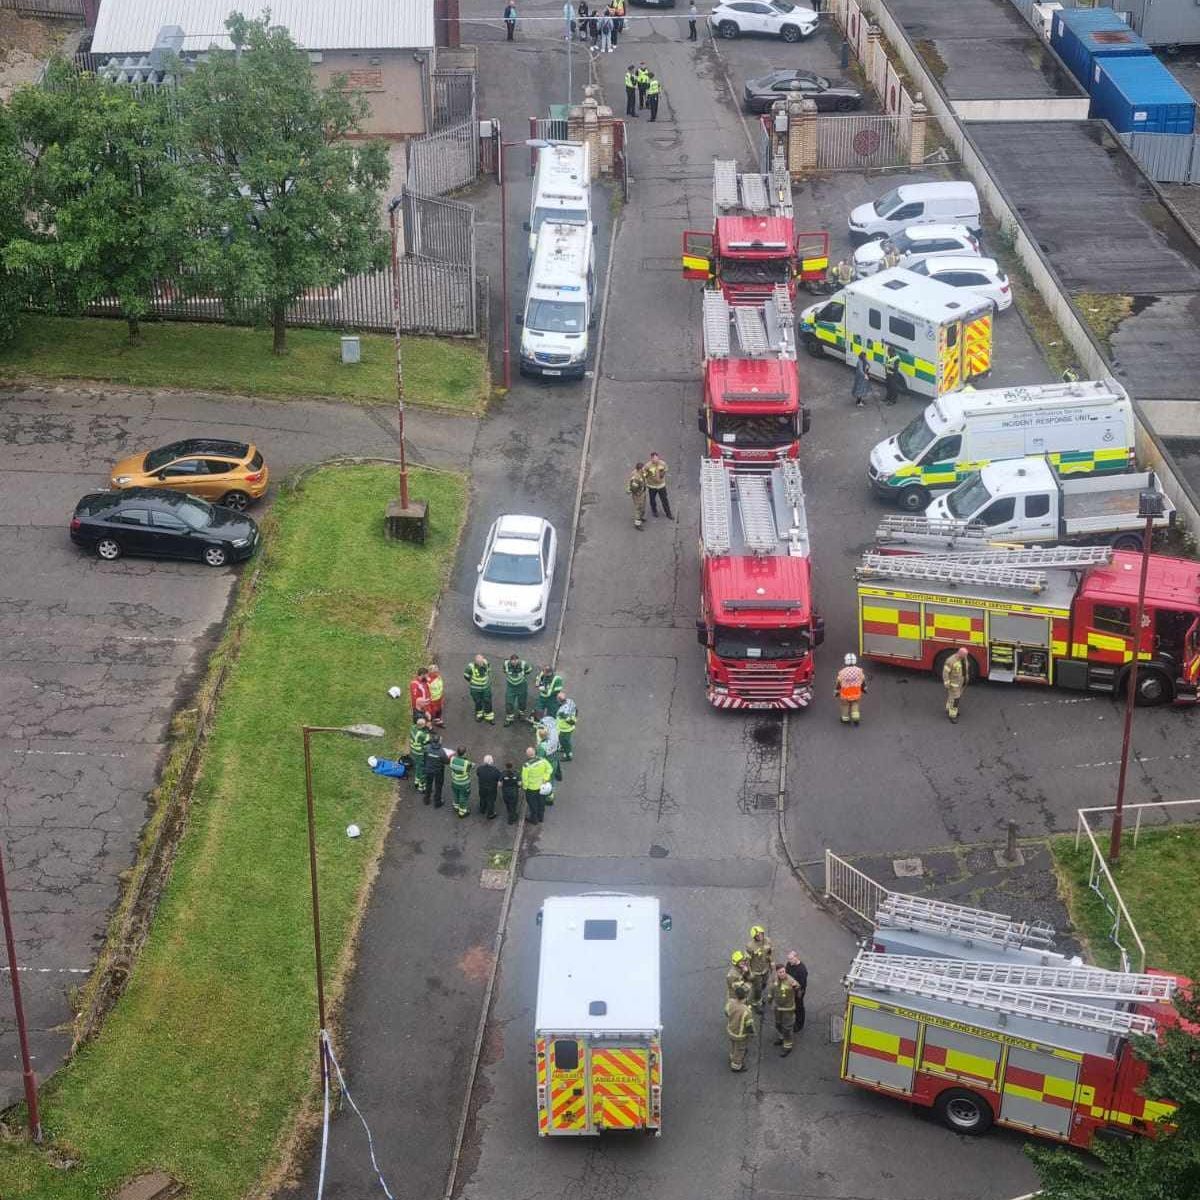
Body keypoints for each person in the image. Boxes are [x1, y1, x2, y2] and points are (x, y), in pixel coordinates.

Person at [767, 965, 801, 1056]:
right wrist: (769, 999)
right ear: (777, 973)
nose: (782, 974)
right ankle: (781, 1037)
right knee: (778, 1024)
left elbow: (799, 993)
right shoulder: (775, 979)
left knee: (787, 1028)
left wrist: (796, 988)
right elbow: (771, 989)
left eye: (783, 971)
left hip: (788, 1009)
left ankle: (787, 1046)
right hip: (777, 1007)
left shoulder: (791, 981)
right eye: (780, 972)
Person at [725, 981, 755, 1072]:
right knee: (740, 1049)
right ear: (745, 996)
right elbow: (749, 1025)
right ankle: (736, 1065)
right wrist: (752, 1033)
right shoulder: (746, 1011)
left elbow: (726, 1013)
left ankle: (732, 1056)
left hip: (731, 1030)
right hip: (740, 1035)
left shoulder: (730, 1003)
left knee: (733, 1045)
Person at [522, 747, 554, 824]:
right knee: (541, 802)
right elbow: (550, 769)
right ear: (535, 752)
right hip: (542, 787)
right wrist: (545, 778)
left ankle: (534, 819)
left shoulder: (526, 766)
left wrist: (525, 787)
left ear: (527, 755)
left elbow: (524, 778)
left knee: (533, 805)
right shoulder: (543, 760)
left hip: (531, 789)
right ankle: (541, 817)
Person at [834, 652, 866, 727]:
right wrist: (864, 688)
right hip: (856, 692)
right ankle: (856, 718)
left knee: (845, 706)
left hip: (845, 693)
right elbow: (863, 680)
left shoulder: (842, 672)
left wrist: (836, 691)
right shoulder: (859, 671)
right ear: (855, 660)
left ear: (846, 661)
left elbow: (838, 682)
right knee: (855, 704)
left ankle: (845, 719)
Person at [746, 924, 773, 1011]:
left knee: (764, 984)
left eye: (761, 933)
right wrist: (749, 973)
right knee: (757, 988)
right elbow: (747, 961)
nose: (760, 936)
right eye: (757, 935)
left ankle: (758, 995)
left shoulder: (767, 941)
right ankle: (756, 1002)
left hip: (765, 969)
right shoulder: (750, 946)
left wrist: (771, 963)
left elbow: (770, 952)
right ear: (754, 937)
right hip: (756, 972)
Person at [464, 653, 495, 723]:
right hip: (475, 689)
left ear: (483, 659)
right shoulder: (470, 667)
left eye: (481, 662)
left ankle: (489, 717)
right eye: (478, 662)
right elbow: (466, 675)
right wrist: (472, 681)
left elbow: (489, 670)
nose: (480, 663)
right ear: (475, 661)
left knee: (488, 701)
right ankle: (479, 715)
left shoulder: (486, 663)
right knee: (478, 702)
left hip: (486, 687)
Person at [503, 654, 533, 726]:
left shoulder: (524, 664)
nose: (514, 663)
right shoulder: (506, 664)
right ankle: (509, 719)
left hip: (521, 686)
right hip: (511, 687)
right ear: (510, 661)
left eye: (516, 662)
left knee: (522, 701)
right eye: (512, 662)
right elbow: (504, 671)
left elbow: (529, 670)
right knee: (509, 702)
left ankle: (521, 714)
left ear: (518, 660)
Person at [943, 647, 970, 723]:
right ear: (959, 654)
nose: (965, 657)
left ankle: (948, 708)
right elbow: (945, 673)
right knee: (955, 700)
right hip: (954, 684)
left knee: (952, 697)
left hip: (961, 683)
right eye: (964, 656)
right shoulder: (950, 661)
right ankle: (952, 715)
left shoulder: (963, 658)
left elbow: (965, 668)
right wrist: (947, 683)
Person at [643, 451, 672, 518]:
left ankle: (668, 513)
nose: (656, 461)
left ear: (658, 457)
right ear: (651, 459)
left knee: (665, 500)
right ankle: (654, 511)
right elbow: (644, 473)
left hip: (661, 485)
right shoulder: (647, 466)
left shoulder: (662, 463)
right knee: (652, 500)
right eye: (654, 459)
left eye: (657, 459)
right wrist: (647, 475)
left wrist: (663, 473)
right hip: (652, 486)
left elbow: (666, 469)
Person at [424, 731, 448, 808]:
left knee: (428, 784)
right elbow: (446, 761)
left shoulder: (427, 748)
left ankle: (426, 800)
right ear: (439, 741)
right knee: (438, 786)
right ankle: (437, 802)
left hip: (428, 770)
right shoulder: (442, 752)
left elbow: (424, 757)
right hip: (438, 771)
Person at [786, 950, 808, 1031]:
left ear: (796, 957)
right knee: (792, 1005)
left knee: (799, 1008)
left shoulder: (802, 970)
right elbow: (786, 974)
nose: (789, 961)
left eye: (791, 959)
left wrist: (796, 989)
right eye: (788, 959)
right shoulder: (789, 964)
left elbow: (802, 984)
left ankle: (799, 1024)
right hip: (790, 990)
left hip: (798, 991)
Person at [449, 747, 475, 818]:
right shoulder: (466, 763)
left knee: (456, 794)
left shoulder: (452, 759)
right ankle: (462, 812)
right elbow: (471, 766)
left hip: (454, 781)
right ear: (464, 754)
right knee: (463, 796)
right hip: (464, 783)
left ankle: (456, 806)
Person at [537, 715, 562, 784]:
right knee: (552, 779)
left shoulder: (542, 746)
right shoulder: (554, 739)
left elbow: (540, 758)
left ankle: (547, 792)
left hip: (547, 765)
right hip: (554, 762)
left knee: (546, 781)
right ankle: (551, 793)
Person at [410, 715, 431, 795]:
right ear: (422, 726)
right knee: (422, 769)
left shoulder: (413, 728)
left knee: (418, 766)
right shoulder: (422, 734)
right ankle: (421, 786)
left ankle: (416, 781)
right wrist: (428, 729)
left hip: (413, 750)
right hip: (420, 753)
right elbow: (428, 740)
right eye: (425, 724)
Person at [477, 754, 502, 819]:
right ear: (491, 761)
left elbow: (478, 774)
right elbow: (499, 777)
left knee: (482, 798)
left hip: (482, 787)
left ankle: (482, 810)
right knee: (491, 801)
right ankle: (490, 814)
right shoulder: (495, 770)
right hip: (491, 789)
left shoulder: (479, 768)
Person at [554, 692, 577, 761]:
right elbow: (576, 710)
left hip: (565, 729)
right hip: (566, 728)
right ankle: (563, 748)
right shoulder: (570, 701)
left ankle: (568, 755)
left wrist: (565, 717)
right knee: (563, 741)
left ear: (559, 700)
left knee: (565, 742)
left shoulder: (562, 711)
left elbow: (570, 721)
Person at [627, 461, 648, 529]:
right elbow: (634, 488)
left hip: (642, 493)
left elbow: (644, 477)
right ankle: (637, 524)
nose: (644, 469)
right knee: (638, 509)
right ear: (639, 469)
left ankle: (641, 517)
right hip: (638, 495)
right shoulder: (636, 478)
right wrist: (638, 494)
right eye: (643, 468)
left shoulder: (641, 473)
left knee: (643, 507)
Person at [426, 662, 445, 727]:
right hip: (432, 700)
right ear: (431, 673)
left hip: (439, 698)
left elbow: (440, 687)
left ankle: (438, 721)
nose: (437, 673)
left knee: (439, 710)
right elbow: (426, 691)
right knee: (431, 713)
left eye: (437, 671)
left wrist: (442, 697)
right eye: (436, 672)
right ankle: (429, 726)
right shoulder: (428, 681)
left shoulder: (438, 677)